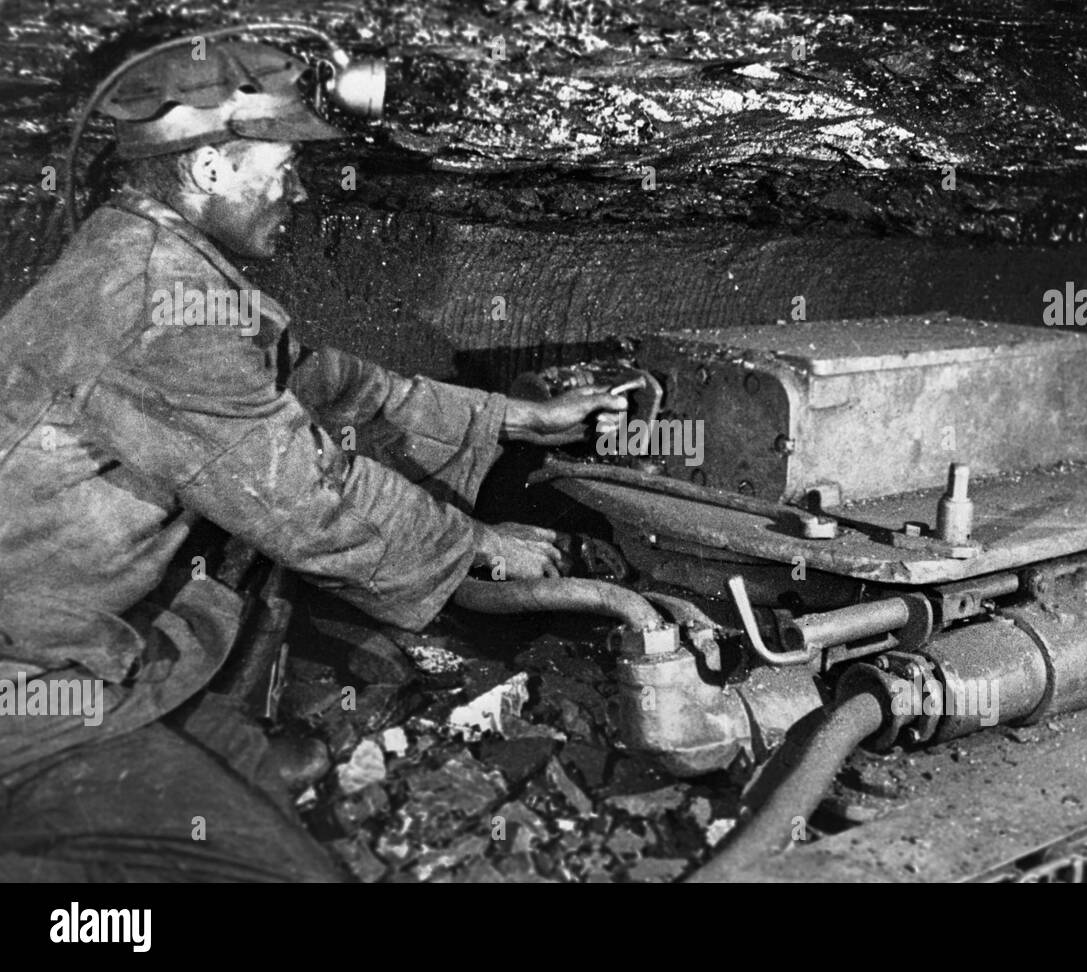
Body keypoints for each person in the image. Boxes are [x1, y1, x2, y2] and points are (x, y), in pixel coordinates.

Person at [0, 39, 626, 881]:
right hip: (29, 682)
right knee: (282, 874)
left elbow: (316, 383)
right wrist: (478, 543)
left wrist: (517, 418)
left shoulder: (163, 264)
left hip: (74, 640)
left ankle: (197, 754)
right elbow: (300, 493)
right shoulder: (155, 300)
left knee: (277, 762)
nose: (298, 189)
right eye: (284, 165)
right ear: (213, 169)